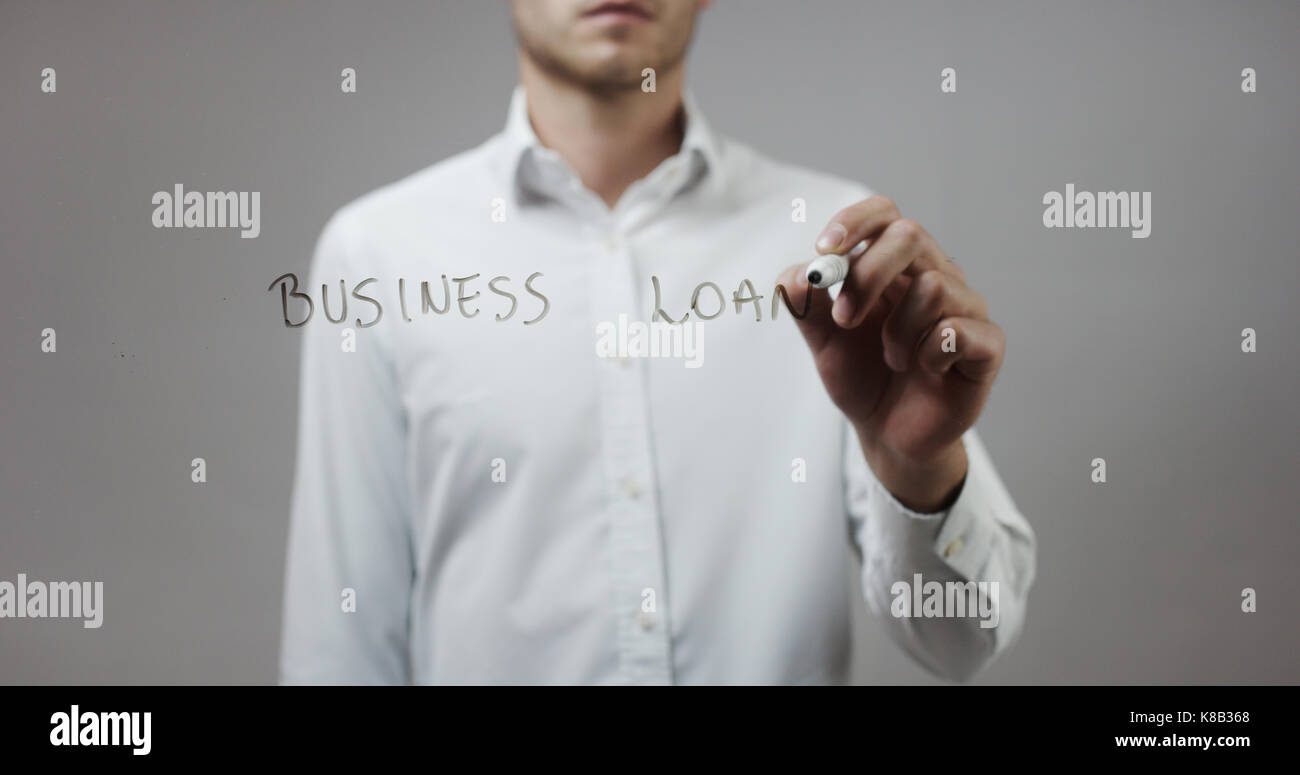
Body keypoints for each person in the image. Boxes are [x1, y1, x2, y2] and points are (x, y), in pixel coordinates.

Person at [279, 0, 1036, 684]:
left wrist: (918, 462)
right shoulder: (377, 254)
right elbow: (338, 654)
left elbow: (966, 641)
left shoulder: (833, 248)